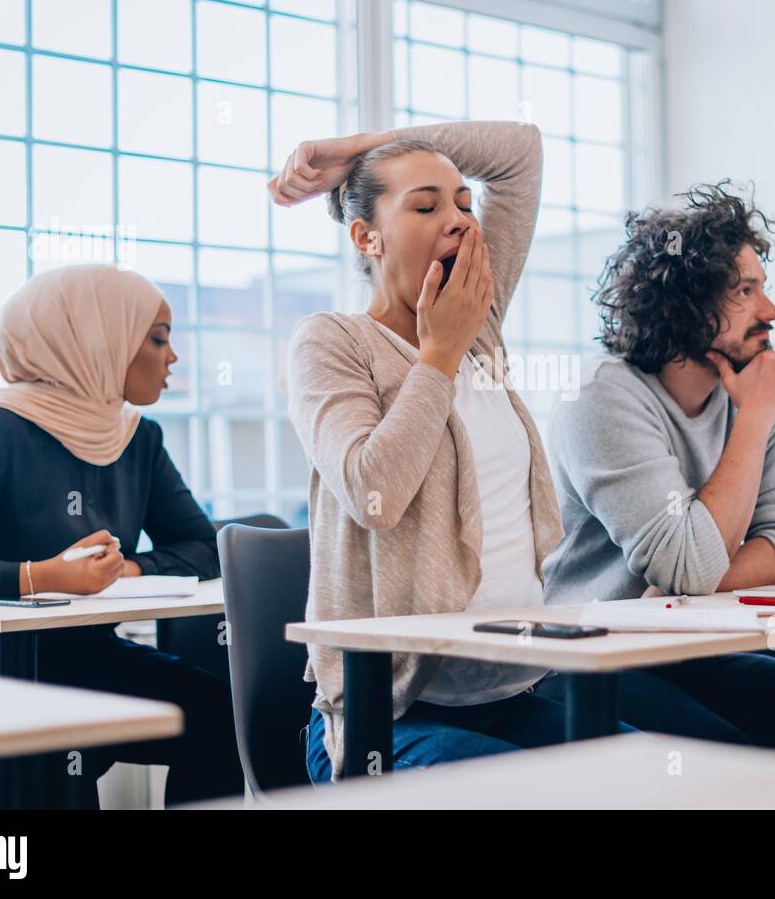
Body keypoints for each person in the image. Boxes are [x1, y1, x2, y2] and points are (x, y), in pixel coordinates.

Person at [272, 121, 634, 784]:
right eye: (425, 205)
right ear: (366, 235)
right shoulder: (332, 342)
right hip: (388, 721)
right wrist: (437, 356)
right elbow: (371, 491)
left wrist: (359, 149)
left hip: (518, 693)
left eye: (465, 203)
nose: (461, 220)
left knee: (658, 780)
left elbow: (520, 151)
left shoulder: (478, 322)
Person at [540, 181, 775, 764]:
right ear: (679, 303)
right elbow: (690, 562)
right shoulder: (601, 397)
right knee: (726, 759)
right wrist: (755, 420)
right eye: (745, 290)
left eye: (763, 288)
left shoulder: (766, 385)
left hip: (689, 645)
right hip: (588, 653)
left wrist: (699, 577)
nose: (772, 311)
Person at [0, 264, 244, 806]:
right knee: (57, 734)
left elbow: (201, 545)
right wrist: (40, 577)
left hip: (84, 656)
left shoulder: (136, 437)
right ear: (99, 342)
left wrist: (126, 570)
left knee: (216, 713)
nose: (173, 357)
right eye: (158, 338)